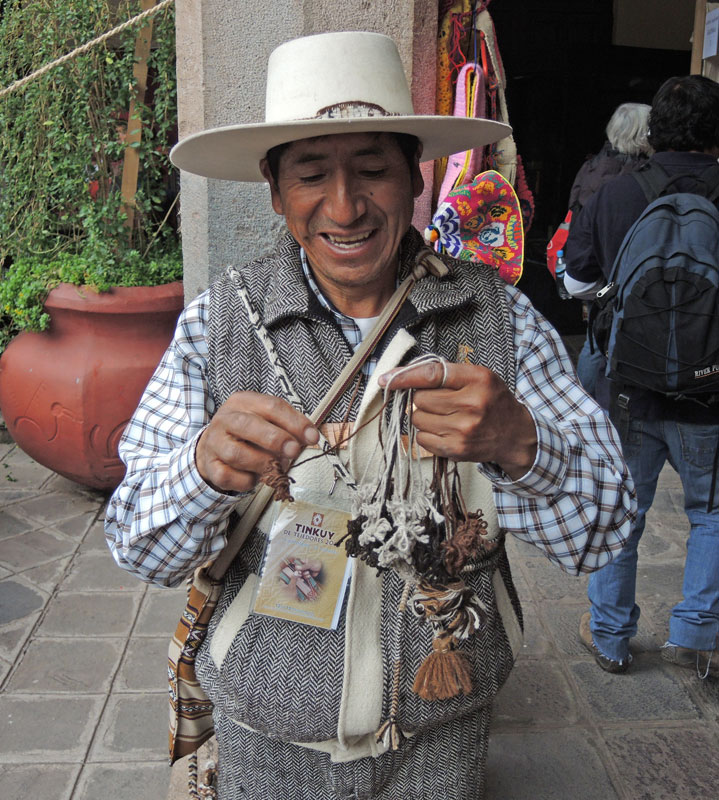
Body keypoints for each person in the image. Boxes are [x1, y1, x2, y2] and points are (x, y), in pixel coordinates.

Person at [105, 31, 635, 800]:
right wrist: (200, 472)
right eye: (310, 174)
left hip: (440, 738)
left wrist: (521, 446)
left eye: (372, 169)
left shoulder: (499, 318)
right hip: (266, 741)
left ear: (413, 176)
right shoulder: (218, 325)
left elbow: (604, 532)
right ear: (274, 189)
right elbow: (137, 546)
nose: (345, 206)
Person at [564, 75, 719, 678]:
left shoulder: (616, 193)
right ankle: (697, 633)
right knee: (711, 513)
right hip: (711, 392)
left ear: (654, 132)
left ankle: (610, 637)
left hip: (630, 384)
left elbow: (578, 279)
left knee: (623, 512)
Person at [564, 102, 652, 399]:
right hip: (612, 274)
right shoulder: (638, 175)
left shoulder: (592, 165)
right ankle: (596, 405)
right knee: (606, 340)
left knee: (593, 339)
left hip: (586, 268)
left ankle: (579, 402)